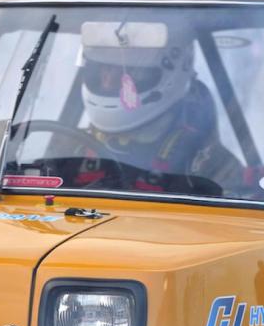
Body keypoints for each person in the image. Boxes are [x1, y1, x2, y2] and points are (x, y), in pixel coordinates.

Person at [53, 20, 242, 195]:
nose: (109, 82)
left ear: (170, 72)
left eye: (130, 72)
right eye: (104, 68)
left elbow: (242, 212)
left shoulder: (205, 161)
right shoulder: (70, 146)